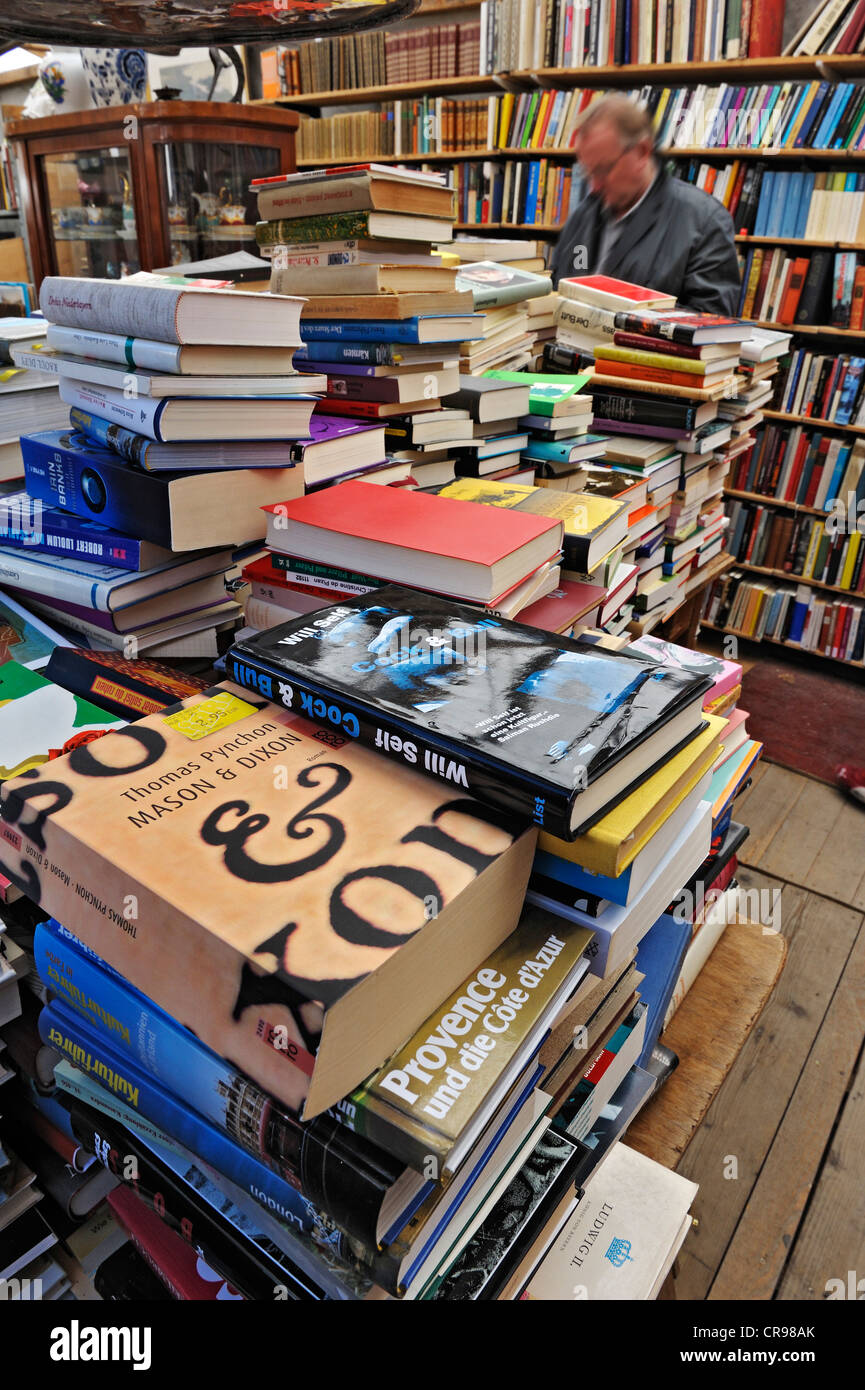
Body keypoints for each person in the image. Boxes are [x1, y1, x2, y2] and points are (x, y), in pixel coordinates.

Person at [549, 94, 742, 316]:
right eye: (588, 172)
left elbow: (708, 325)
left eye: (603, 170)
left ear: (642, 152)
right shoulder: (583, 217)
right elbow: (561, 287)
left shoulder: (703, 222)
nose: (594, 186)